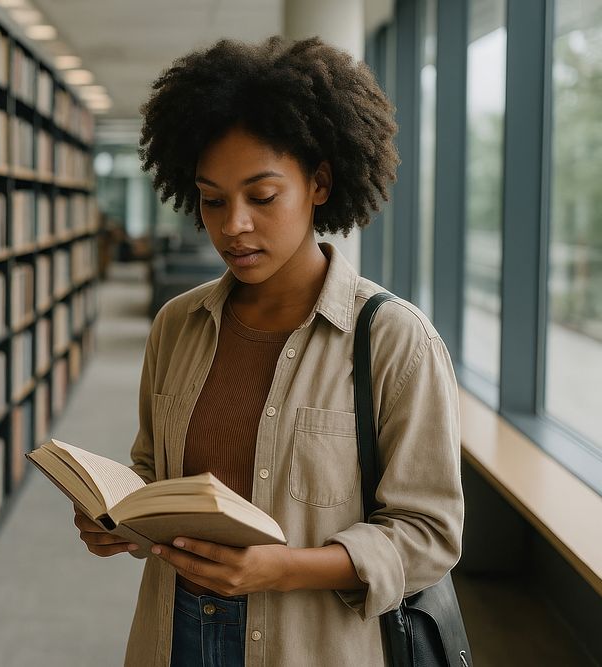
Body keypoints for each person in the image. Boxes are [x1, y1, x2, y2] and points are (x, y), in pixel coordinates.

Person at [72, 36, 464, 666]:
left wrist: (284, 570)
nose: (233, 226)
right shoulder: (177, 324)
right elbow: (152, 472)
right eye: (211, 199)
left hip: (306, 642)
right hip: (173, 632)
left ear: (320, 183)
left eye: (261, 196)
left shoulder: (393, 340)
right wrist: (121, 522)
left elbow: (428, 536)